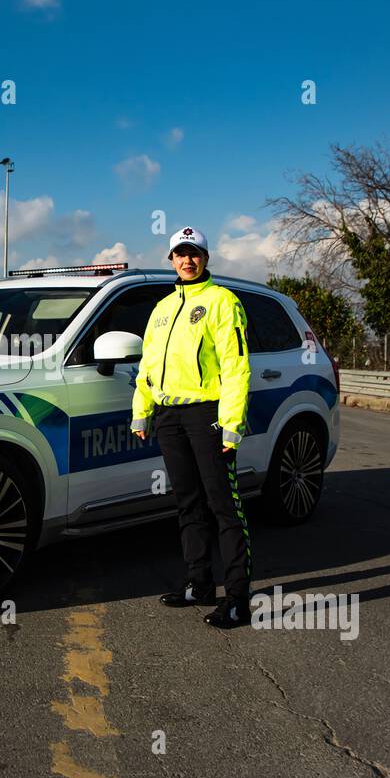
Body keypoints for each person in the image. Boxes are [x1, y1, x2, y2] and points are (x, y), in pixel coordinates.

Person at [131, 227, 253, 628]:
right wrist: (141, 410)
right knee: (187, 503)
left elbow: (236, 367)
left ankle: (237, 599)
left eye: (194, 253)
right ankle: (198, 584)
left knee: (224, 506)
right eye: (180, 254)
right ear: (171, 260)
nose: (187, 260)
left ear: (206, 257)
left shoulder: (222, 302)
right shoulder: (162, 308)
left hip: (208, 416)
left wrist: (232, 424)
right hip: (169, 417)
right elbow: (148, 365)